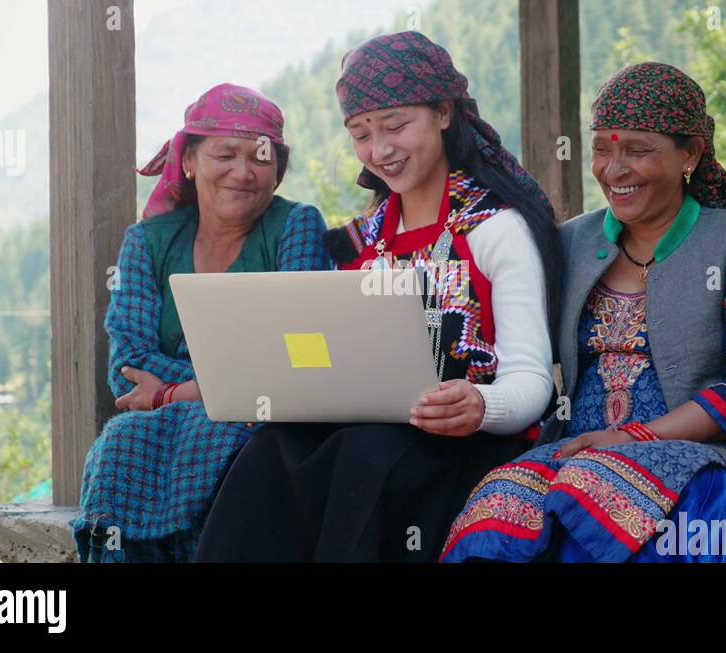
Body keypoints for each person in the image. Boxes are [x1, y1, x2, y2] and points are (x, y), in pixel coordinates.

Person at [441, 62, 726, 563]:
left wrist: (633, 437)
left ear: (691, 153)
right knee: (501, 505)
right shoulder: (571, 242)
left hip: (718, 457)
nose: (614, 170)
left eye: (638, 151)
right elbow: (517, 338)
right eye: (601, 149)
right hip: (582, 448)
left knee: (594, 499)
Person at [194, 32, 561, 563]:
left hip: (465, 445)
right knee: (270, 449)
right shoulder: (360, 239)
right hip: (368, 433)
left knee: (366, 455)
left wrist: (481, 406)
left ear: (442, 113)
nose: (380, 149)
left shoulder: (496, 229)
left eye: (395, 125)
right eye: (361, 133)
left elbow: (530, 379)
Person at [71, 83, 331, 562]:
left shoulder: (296, 227)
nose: (243, 171)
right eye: (224, 154)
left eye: (259, 157)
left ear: (277, 172)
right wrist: (228, 380)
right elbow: (127, 367)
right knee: (120, 442)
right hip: (169, 420)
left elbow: (297, 355)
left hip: (260, 421)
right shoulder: (148, 242)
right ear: (188, 162)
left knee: (229, 437)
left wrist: (174, 390)